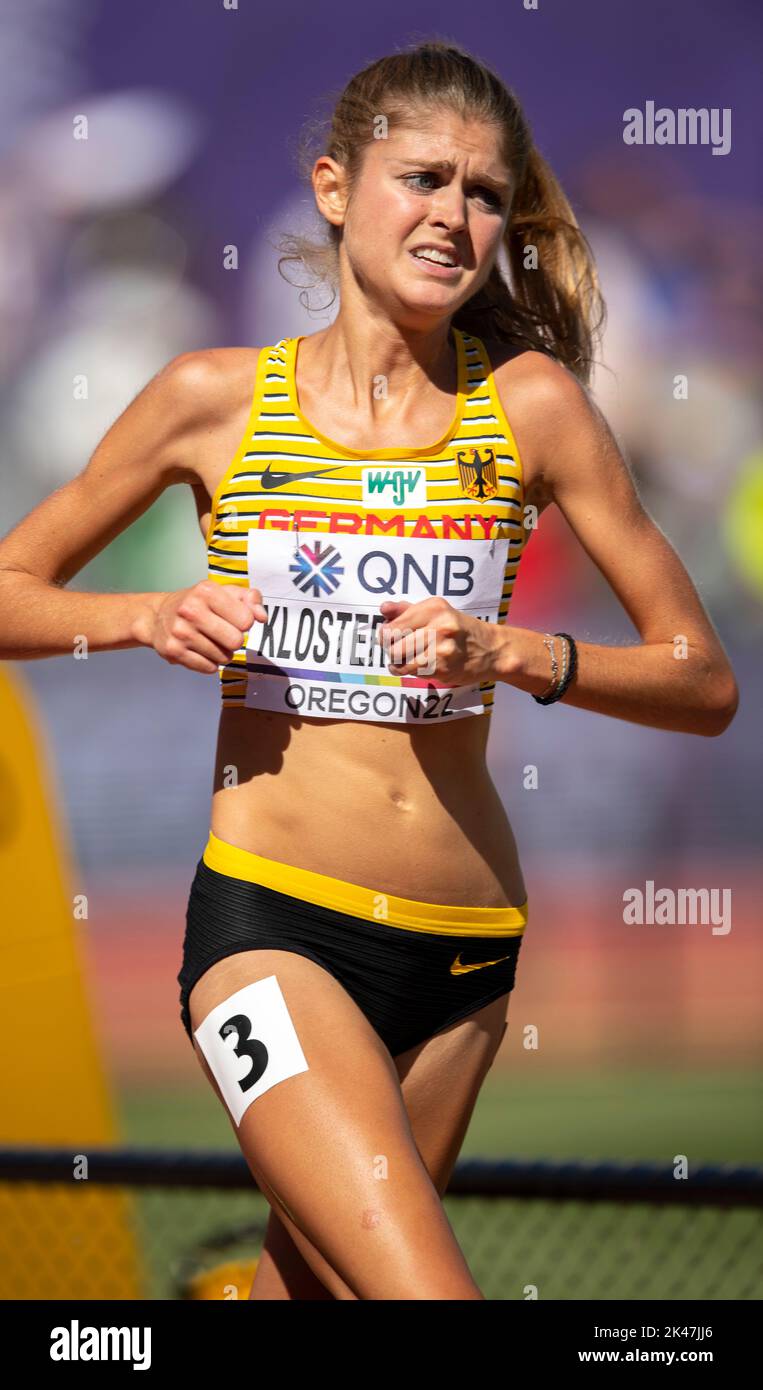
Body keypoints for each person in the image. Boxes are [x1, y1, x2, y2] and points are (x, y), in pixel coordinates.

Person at [0, 41, 739, 1301]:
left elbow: (701, 678)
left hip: (463, 955)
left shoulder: (534, 408)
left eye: (485, 193)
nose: (454, 215)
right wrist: (147, 614)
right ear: (335, 188)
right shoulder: (212, 399)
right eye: (423, 179)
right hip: (275, 928)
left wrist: (512, 649)